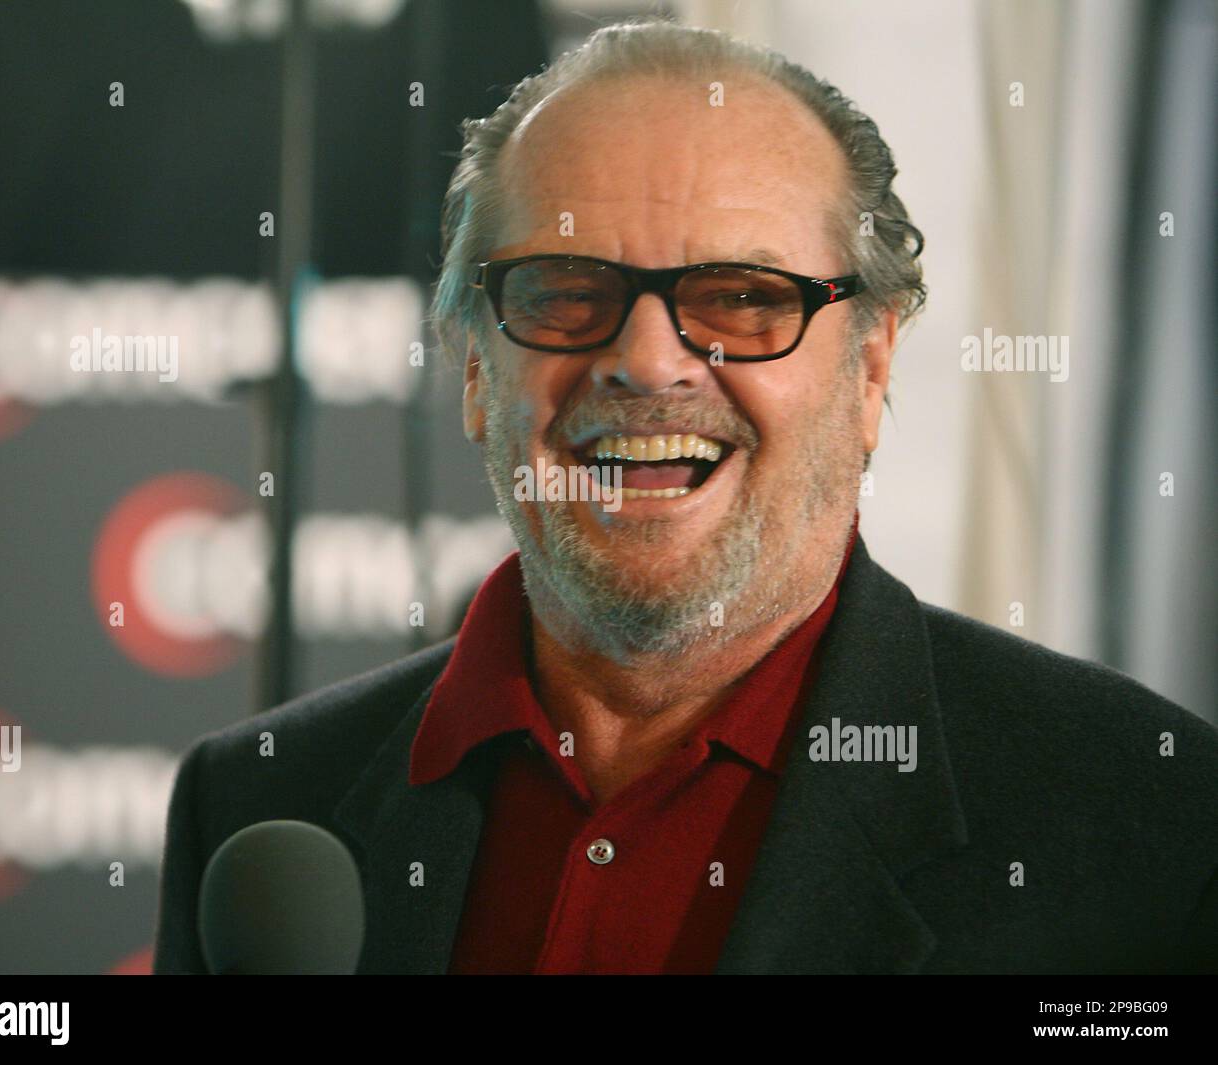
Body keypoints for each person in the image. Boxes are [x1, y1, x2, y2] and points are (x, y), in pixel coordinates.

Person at [153, 17, 1218, 974]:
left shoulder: (1148, 825)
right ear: (477, 372)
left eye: (743, 299)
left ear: (871, 367)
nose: (648, 361)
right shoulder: (259, 805)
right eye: (568, 292)